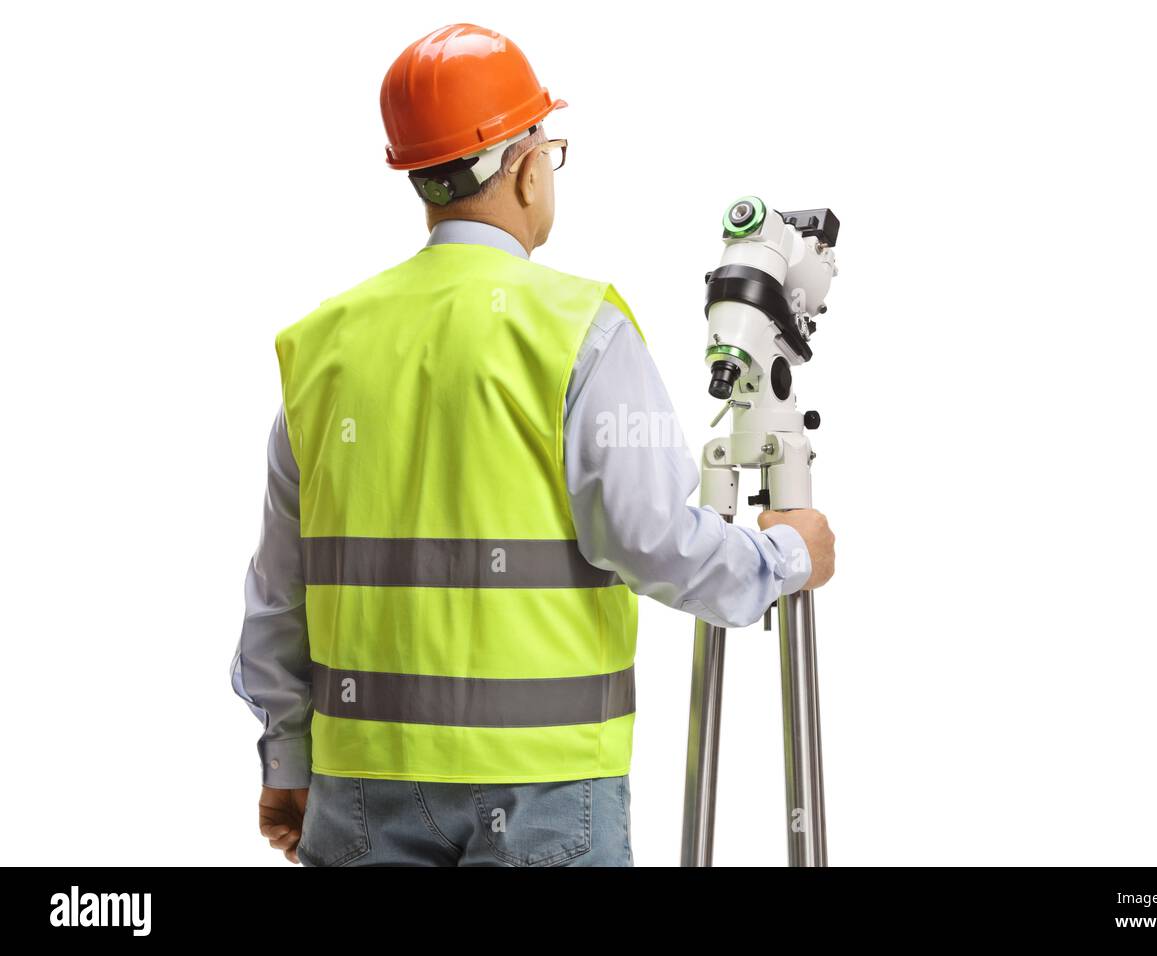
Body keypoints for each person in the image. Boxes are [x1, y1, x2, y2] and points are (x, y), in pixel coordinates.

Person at [230, 22, 836, 867]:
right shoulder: (581, 331)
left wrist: (287, 760)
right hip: (545, 791)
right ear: (522, 166)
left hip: (357, 786)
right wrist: (784, 558)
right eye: (549, 148)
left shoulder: (323, 345)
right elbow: (650, 539)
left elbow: (278, 593)